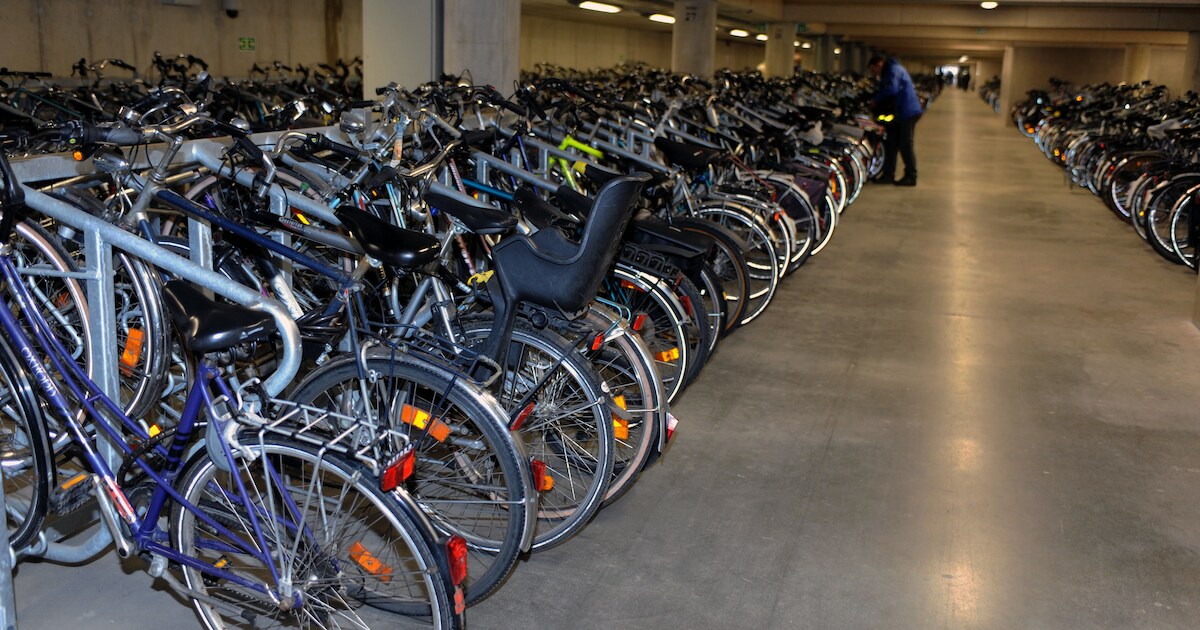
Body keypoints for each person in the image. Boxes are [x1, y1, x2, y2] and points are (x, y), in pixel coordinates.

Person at [867, 55, 923, 186]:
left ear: (879, 64)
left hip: (906, 112)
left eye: (874, 70)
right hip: (901, 112)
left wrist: (876, 100)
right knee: (890, 142)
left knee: (905, 144)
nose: (875, 74)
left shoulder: (893, 70)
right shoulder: (893, 70)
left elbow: (892, 89)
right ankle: (888, 174)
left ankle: (911, 176)